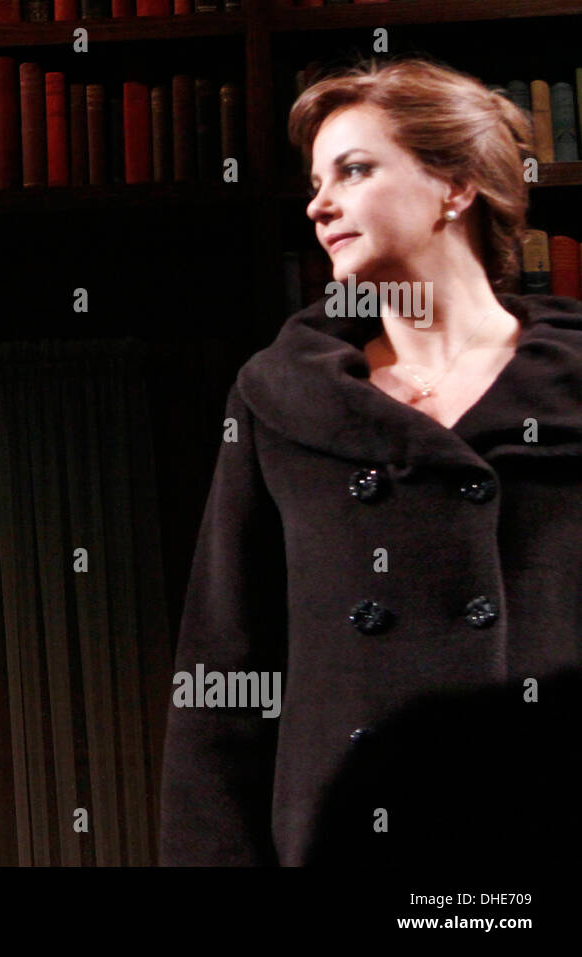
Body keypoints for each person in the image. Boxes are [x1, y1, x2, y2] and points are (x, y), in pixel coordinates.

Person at [159, 57, 582, 865]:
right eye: (317, 180)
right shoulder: (281, 399)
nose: (319, 204)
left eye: (354, 170)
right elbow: (224, 676)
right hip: (350, 837)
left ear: (455, 186)